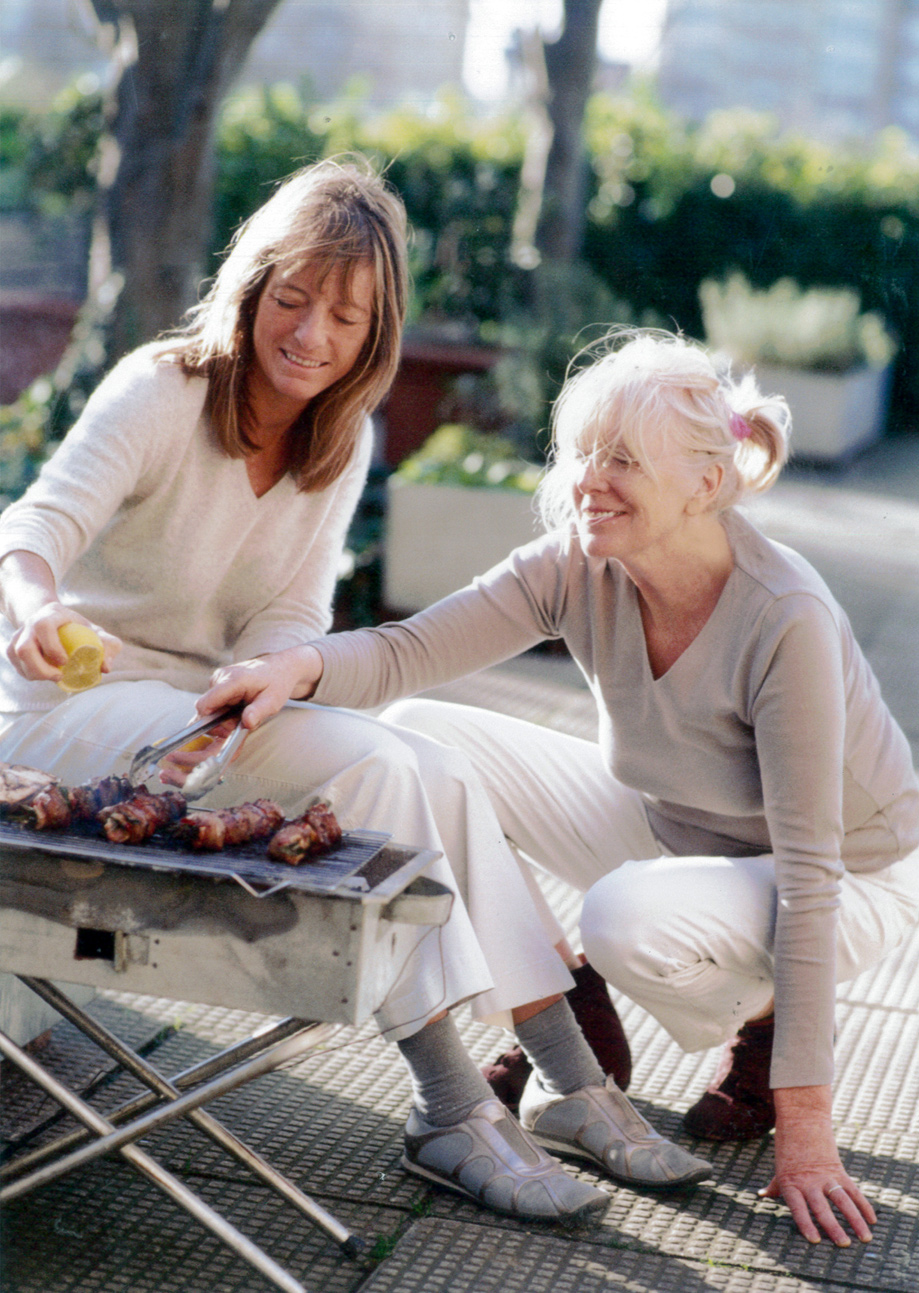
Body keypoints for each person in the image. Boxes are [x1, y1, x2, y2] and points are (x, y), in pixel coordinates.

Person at [0, 172, 710, 1226]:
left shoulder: (342, 439)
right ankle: (449, 1104)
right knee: (377, 764)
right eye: (295, 297)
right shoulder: (163, 389)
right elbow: (34, 529)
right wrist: (32, 609)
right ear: (254, 285)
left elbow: (292, 613)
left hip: (198, 719)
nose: (311, 334)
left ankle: (573, 1084)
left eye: (347, 314)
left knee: (435, 766)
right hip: (57, 718)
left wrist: (270, 681)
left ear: (376, 329)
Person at [195, 328, 919, 1249]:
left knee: (624, 918)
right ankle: (567, 1016)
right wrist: (293, 665)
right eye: (581, 452)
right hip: (682, 827)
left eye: (621, 460)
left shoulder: (786, 618)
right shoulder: (580, 561)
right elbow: (409, 651)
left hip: (849, 874)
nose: (586, 478)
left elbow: (810, 873)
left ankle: (765, 1018)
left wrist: (807, 1125)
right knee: (421, 731)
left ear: (703, 483)